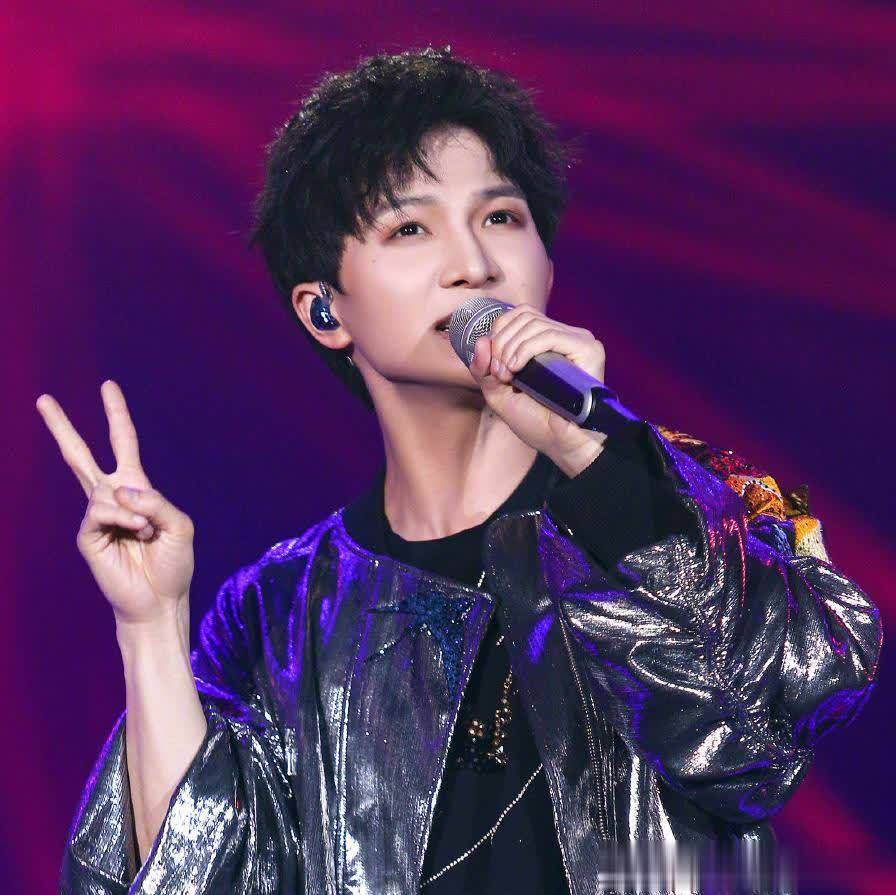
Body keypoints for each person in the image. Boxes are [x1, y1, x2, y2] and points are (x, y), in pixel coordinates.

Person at [42, 46, 881, 894]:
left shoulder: (698, 497)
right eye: (410, 228)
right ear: (325, 309)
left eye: (501, 217)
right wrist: (149, 625)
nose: (474, 264)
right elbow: (200, 878)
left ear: (546, 265)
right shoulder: (280, 612)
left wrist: (592, 453)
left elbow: (762, 737)